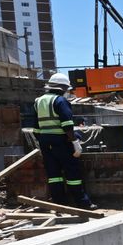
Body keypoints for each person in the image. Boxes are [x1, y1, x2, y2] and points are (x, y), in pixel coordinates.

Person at [34, 73, 95, 209]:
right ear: (62, 88)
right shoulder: (60, 101)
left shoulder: (38, 101)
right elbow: (67, 125)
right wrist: (75, 142)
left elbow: (35, 127)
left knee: (53, 174)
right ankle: (83, 203)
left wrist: (43, 142)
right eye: (66, 88)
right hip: (61, 141)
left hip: (45, 141)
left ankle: (60, 203)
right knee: (72, 171)